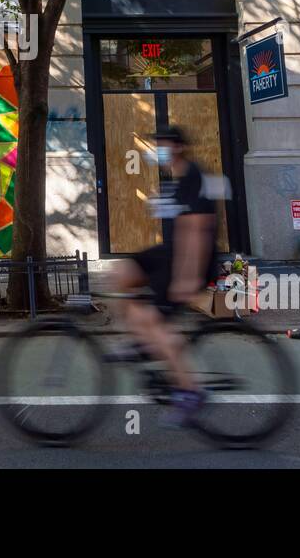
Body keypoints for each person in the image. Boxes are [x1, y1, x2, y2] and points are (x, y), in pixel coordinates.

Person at [109, 125, 218, 428]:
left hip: (194, 259)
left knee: (154, 321)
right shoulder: (176, 179)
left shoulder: (194, 176)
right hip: (171, 253)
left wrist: (186, 278)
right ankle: (140, 342)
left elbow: (195, 232)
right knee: (121, 272)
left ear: (178, 147)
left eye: (163, 144)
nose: (157, 149)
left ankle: (190, 392)